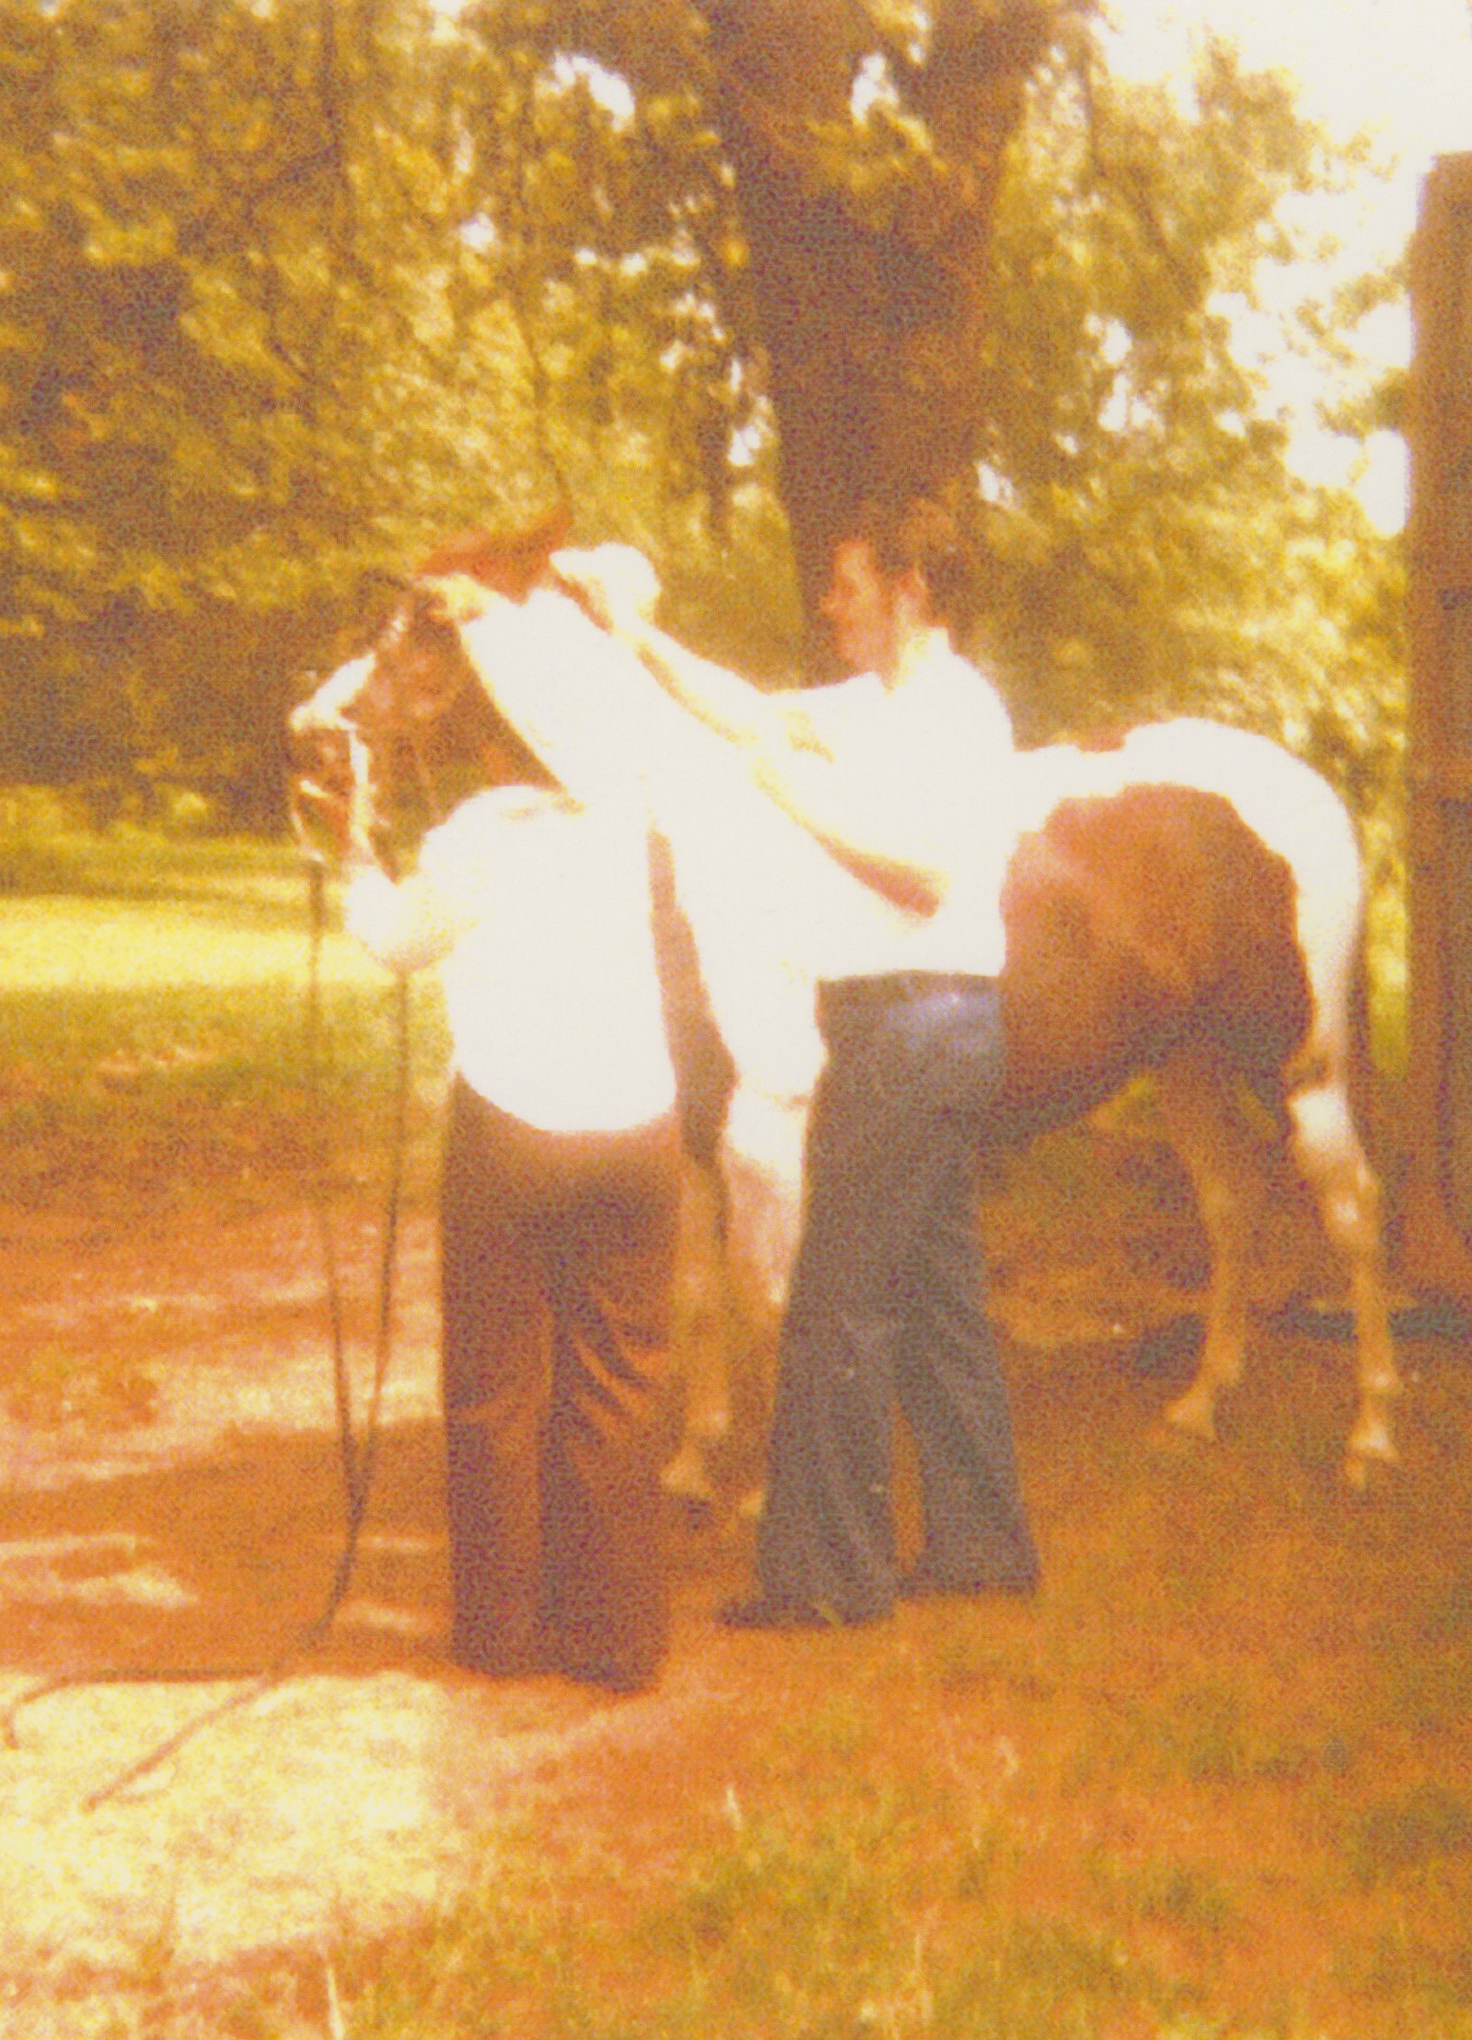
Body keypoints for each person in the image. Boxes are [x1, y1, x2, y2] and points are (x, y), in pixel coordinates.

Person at [581, 497, 1040, 1629]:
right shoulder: (869, 706)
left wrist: (794, 801)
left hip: (922, 1021)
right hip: (896, 1024)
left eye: (848, 583)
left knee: (837, 1300)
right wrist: (634, 637)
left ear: (911, 591)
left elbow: (928, 876)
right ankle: (982, 1548)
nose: (828, 604)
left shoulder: (957, 716)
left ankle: (828, 1579)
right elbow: (742, 713)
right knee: (938, 1304)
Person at [339, 724, 682, 1692]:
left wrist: (355, 850)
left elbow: (397, 943)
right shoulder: (626, 807)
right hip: (637, 1126)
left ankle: (499, 1632)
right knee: (617, 1381)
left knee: (494, 1387)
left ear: (493, 741)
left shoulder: (474, 833)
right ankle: (616, 1635)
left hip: (515, 1127)